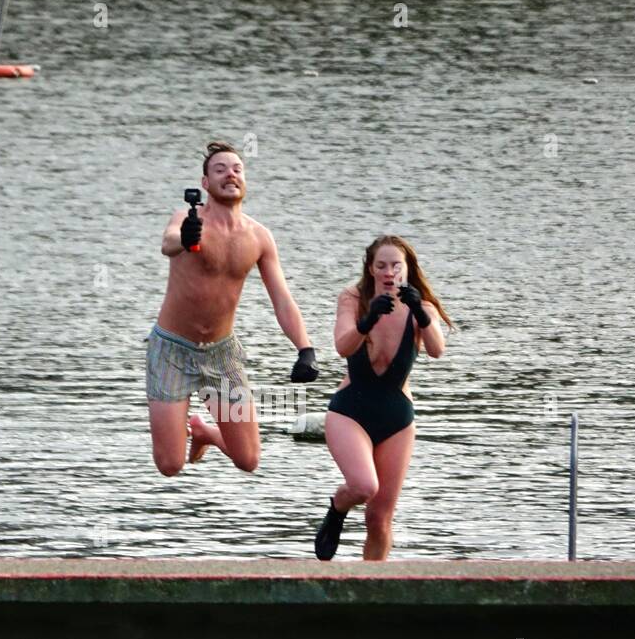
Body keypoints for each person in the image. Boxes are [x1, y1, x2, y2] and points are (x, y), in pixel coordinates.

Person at [148, 141, 318, 476]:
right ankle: (189, 433)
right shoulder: (187, 219)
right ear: (206, 183)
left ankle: (206, 433)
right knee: (169, 465)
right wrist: (185, 238)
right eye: (221, 169)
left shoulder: (259, 236)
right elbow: (168, 244)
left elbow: (281, 298)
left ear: (245, 180)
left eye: (237, 169)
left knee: (248, 460)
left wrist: (305, 348)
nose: (231, 174)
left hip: (221, 356)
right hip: (171, 351)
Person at [314, 235, 452, 561]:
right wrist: (367, 321)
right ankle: (338, 506)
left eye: (396, 266)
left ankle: (372, 589)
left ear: (405, 270)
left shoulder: (421, 307)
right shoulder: (353, 298)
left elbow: (437, 350)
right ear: (371, 269)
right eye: (382, 266)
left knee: (379, 519)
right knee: (363, 486)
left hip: (397, 419)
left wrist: (420, 311)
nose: (389, 272)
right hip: (350, 412)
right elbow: (342, 346)